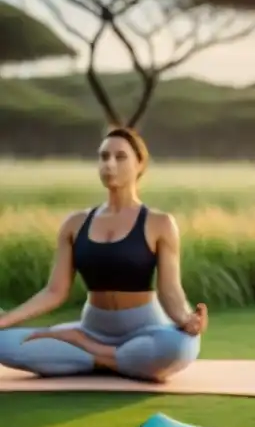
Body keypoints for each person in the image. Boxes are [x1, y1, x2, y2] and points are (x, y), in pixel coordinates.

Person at [0, 127, 207, 383]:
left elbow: (170, 291)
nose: (109, 164)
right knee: (3, 343)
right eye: (103, 156)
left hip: (144, 332)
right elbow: (55, 291)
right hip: (92, 329)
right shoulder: (75, 223)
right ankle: (119, 360)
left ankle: (88, 353)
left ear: (140, 164)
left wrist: (187, 320)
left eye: (120, 157)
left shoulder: (160, 223)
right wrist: (5, 320)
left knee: (179, 346)